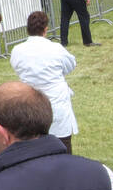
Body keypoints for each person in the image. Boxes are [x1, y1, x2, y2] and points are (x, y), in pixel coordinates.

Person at [10, 12, 78, 151]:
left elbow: (17, 67)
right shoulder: (56, 49)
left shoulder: (17, 50)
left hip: (32, 103)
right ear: (45, 29)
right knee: (61, 145)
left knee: (34, 146)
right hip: (53, 103)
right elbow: (70, 65)